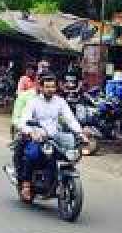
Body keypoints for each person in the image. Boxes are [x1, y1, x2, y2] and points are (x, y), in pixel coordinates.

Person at [13, 73, 87, 201]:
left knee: (69, 151)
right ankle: (26, 185)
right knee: (33, 154)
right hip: (37, 137)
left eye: (52, 87)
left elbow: (70, 119)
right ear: (41, 88)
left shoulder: (60, 102)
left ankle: (55, 179)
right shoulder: (33, 102)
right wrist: (31, 132)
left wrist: (80, 134)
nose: (50, 89)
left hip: (54, 137)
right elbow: (23, 121)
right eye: (47, 87)